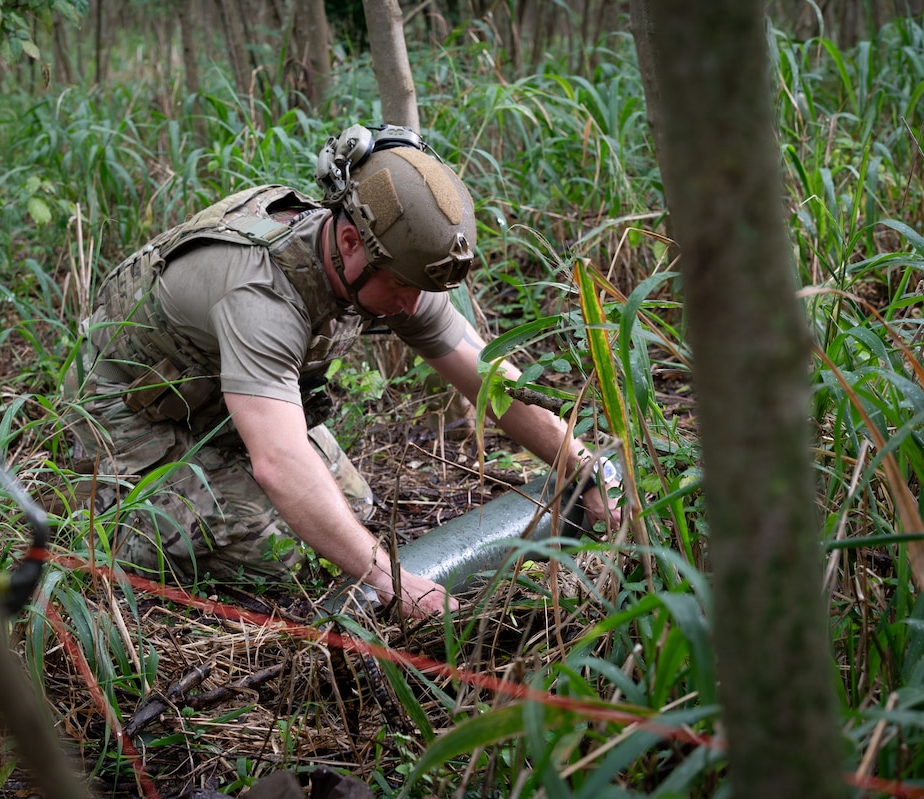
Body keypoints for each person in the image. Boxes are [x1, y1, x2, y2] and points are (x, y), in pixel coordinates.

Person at [64, 124, 622, 618]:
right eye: (402, 291)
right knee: (282, 552)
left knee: (351, 510)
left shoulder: (390, 262)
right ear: (350, 240)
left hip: (216, 396)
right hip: (129, 412)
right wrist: (391, 580)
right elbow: (281, 466)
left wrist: (581, 470)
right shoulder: (261, 294)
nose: (410, 305)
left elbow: (491, 380)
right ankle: (102, 515)